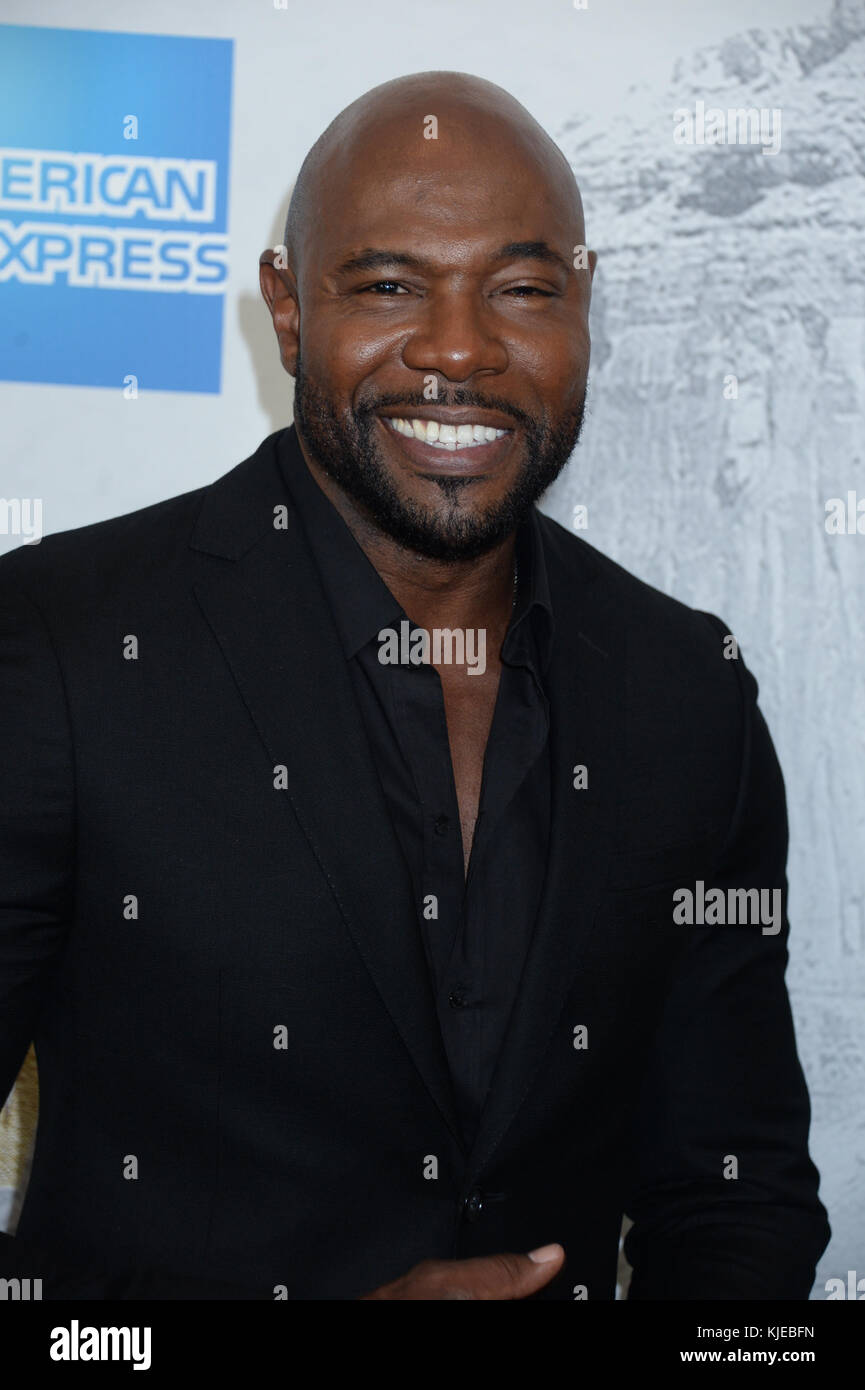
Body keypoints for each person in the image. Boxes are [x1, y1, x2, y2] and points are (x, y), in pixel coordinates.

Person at [0, 70, 829, 1300]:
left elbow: (733, 1190)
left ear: (584, 302)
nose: (458, 348)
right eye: (388, 286)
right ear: (286, 311)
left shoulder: (683, 693)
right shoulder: (62, 646)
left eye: (520, 289)